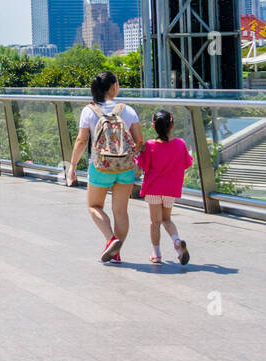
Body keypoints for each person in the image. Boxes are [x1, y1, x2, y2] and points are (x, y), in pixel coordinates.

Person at [68, 71, 144, 263]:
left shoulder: (89, 111)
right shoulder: (127, 110)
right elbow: (139, 139)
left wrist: (73, 166)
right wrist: (127, 156)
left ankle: (111, 239)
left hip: (100, 165)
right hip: (125, 167)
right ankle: (116, 252)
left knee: (94, 206)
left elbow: (81, 140)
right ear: (112, 87)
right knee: (121, 211)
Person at [137, 110, 194, 266]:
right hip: (171, 189)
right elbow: (187, 163)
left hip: (154, 188)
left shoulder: (150, 145)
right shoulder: (180, 143)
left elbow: (143, 165)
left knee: (155, 222)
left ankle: (156, 254)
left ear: (153, 126)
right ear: (173, 125)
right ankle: (176, 241)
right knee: (167, 219)